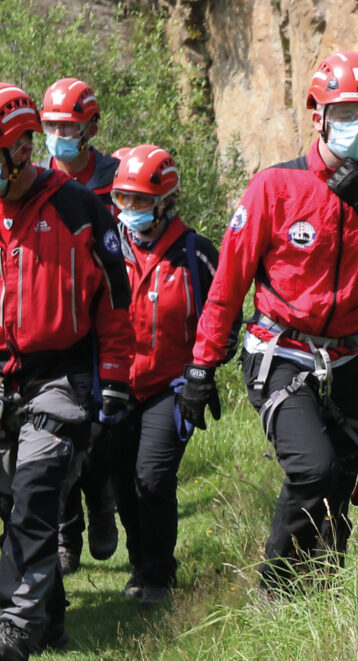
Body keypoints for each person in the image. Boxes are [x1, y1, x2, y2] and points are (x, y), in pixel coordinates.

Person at [177, 51, 358, 595]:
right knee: (312, 470)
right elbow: (228, 281)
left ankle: (322, 604)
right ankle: (276, 590)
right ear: (318, 115)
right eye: (346, 114)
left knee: (339, 481)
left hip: (346, 357)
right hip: (279, 351)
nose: (357, 127)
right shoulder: (275, 188)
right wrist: (201, 365)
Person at [0, 82, 134, 661]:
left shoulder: (78, 208)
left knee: (33, 494)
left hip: (61, 377)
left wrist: (117, 380)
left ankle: (16, 631)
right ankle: (49, 614)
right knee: (12, 500)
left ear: (23, 150)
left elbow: (115, 302)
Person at [105, 144, 238, 608]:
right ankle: (140, 562)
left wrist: (204, 370)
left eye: (140, 201)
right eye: (123, 200)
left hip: (170, 386)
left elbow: (224, 310)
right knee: (122, 480)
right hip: (118, 383)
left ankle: (159, 575)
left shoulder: (194, 252)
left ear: (164, 202)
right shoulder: (108, 247)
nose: (130, 210)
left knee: (153, 477)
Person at [39, 76, 122, 574]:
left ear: (91, 126)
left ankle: (103, 503)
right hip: (54, 316)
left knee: (101, 432)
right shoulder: (33, 177)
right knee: (56, 432)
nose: (59, 133)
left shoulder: (116, 176)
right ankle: (67, 535)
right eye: (50, 124)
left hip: (105, 313)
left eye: (68, 124)